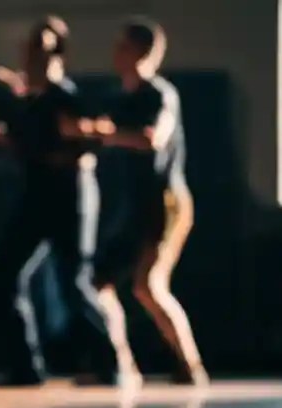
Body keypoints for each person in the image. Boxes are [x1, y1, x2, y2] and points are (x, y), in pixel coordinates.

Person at [0, 17, 120, 386]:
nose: (33, 57)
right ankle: (25, 367)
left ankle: (110, 365)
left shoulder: (68, 97)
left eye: (41, 50)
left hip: (69, 199)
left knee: (73, 282)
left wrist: (68, 146)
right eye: (30, 49)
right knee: (5, 276)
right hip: (36, 198)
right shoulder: (26, 102)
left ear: (57, 53)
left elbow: (92, 141)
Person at [94, 18, 207, 386]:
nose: (115, 52)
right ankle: (121, 364)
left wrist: (107, 135)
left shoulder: (160, 95)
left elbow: (152, 139)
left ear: (141, 52)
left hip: (166, 203)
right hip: (136, 206)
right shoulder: (121, 100)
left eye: (123, 46)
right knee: (99, 283)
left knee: (148, 285)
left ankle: (190, 365)